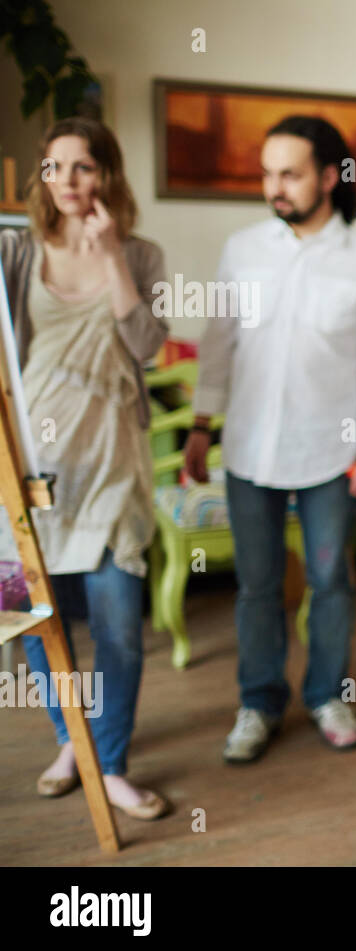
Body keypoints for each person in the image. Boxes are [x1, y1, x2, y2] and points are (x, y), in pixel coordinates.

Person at [185, 115, 356, 764]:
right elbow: (218, 345)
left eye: (290, 173)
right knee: (256, 585)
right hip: (249, 450)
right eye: (268, 173)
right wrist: (201, 425)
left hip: (330, 456)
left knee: (331, 581)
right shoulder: (242, 249)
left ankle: (329, 696)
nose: (274, 186)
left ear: (329, 177)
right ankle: (258, 702)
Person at [1, 117, 171, 820]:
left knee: (118, 622)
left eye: (84, 167)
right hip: (36, 459)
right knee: (38, 617)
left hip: (111, 462)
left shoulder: (142, 253)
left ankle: (112, 762)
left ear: (108, 175)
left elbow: (151, 344)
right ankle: (72, 740)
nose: (69, 180)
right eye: (56, 167)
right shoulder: (17, 252)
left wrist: (110, 261)